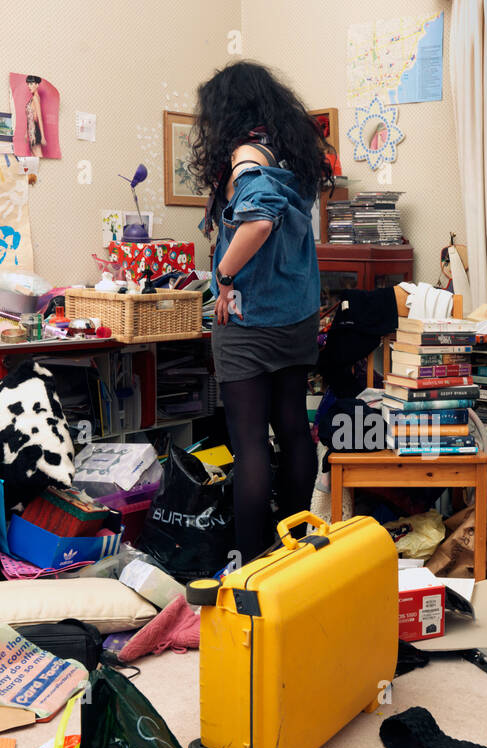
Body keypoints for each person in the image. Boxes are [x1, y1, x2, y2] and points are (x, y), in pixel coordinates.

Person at [187, 61, 332, 562]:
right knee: (293, 431)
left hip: (250, 321)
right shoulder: (289, 151)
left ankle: (252, 567)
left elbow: (259, 221)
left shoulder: (246, 158)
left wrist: (223, 278)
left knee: (250, 447)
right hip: (296, 316)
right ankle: (293, 552)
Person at [24, 76, 45, 158]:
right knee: (33, 157)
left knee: (38, 156)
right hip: (31, 131)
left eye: (31, 84)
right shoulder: (32, 99)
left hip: (35, 131)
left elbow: (39, 117)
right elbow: (29, 118)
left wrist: (43, 137)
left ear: (37, 85)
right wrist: (26, 132)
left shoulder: (36, 98)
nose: (29, 86)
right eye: (28, 84)